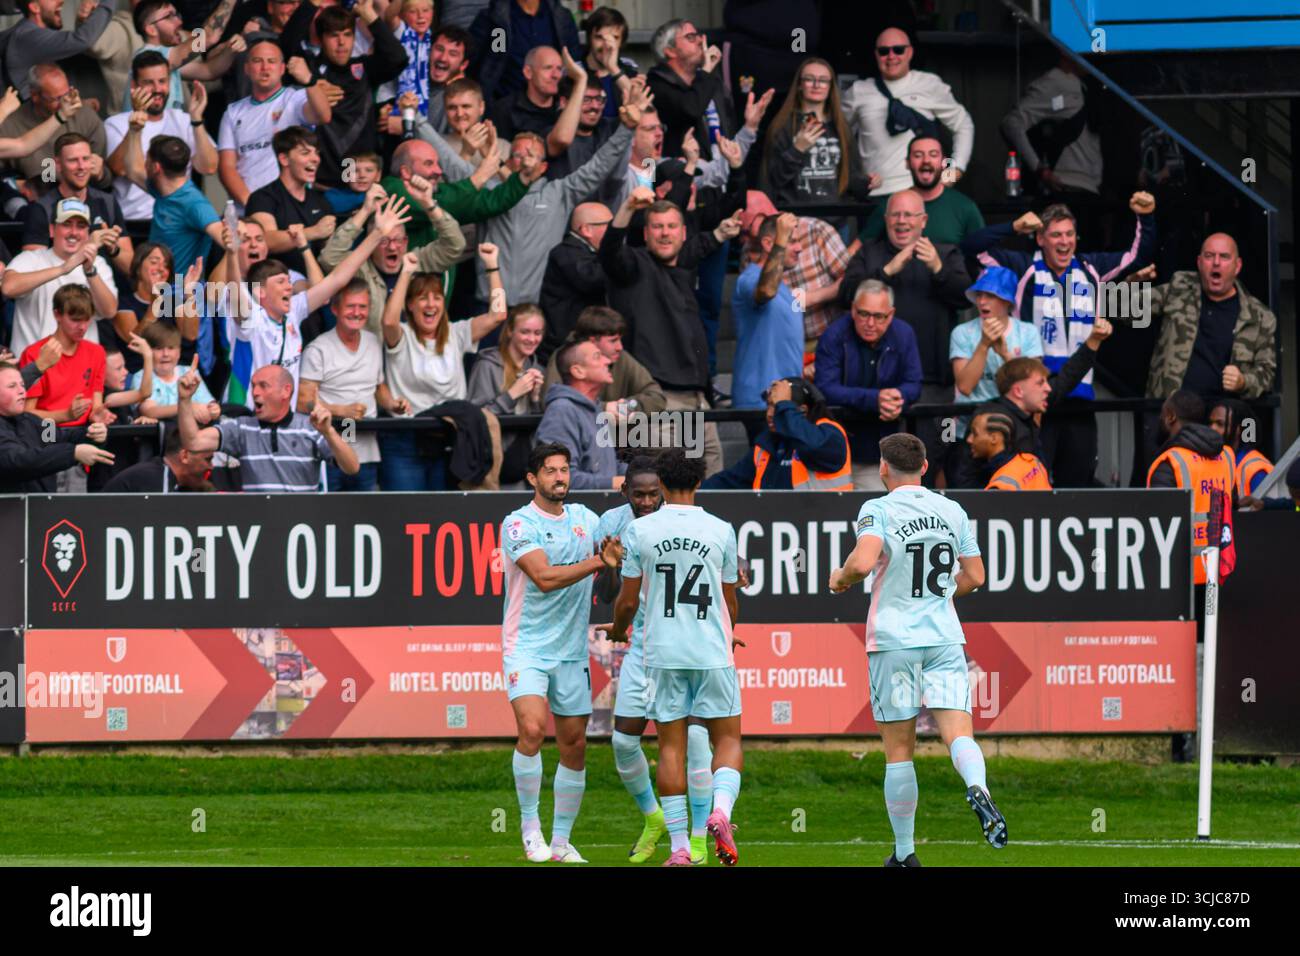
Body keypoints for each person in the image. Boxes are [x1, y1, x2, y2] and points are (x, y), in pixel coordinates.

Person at [829, 432, 1005, 867]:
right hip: (944, 637)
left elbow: (864, 561)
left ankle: (905, 853)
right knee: (958, 734)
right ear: (925, 466)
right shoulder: (951, 509)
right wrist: (944, 594)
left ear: (883, 469)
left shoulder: (878, 509)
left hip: (894, 641)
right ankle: (978, 786)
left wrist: (841, 578)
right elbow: (977, 575)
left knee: (899, 750)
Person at [605, 448, 744, 867]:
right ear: (699, 483)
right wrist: (728, 633)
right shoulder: (721, 529)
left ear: (662, 487)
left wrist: (616, 630)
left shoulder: (642, 531)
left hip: (662, 654)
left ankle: (681, 848)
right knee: (727, 739)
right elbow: (729, 599)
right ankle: (721, 811)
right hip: (711, 651)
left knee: (671, 749)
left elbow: (627, 602)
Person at [962, 193, 1157, 487]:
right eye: (1055, 235)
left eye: (1069, 234)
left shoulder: (1092, 268)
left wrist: (1146, 217)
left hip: (1079, 398)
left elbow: (1136, 256)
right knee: (1032, 478)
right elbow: (971, 247)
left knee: (1078, 483)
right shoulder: (1023, 267)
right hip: (1036, 400)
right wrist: (1013, 227)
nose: (1064, 242)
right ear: (1040, 239)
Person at [498, 441, 622, 863]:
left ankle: (562, 842)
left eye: (564, 469)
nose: (560, 477)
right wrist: (596, 562)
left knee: (575, 744)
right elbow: (545, 578)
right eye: (550, 471)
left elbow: (606, 586)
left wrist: (611, 568)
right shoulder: (517, 524)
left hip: (571, 650)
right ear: (533, 478)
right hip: (527, 647)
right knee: (532, 731)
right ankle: (530, 828)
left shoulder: (586, 520)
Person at [414, 86, 641, 307]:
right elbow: (450, 162)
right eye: (517, 154)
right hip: (490, 307)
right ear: (509, 161)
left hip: (537, 310)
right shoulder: (489, 193)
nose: (524, 160)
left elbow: (599, 166)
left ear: (543, 167)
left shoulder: (560, 192)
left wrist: (626, 129)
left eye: (532, 155)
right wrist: (415, 117)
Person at [592, 455, 691, 863]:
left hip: (683, 648)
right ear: (624, 492)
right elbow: (607, 593)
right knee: (623, 740)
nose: (648, 501)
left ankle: (691, 839)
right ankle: (654, 817)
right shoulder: (611, 524)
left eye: (655, 493)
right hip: (640, 647)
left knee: (690, 743)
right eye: (640, 494)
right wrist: (611, 565)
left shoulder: (682, 519)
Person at [600, 189, 739, 476]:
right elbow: (610, 252)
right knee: (665, 490)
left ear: (683, 232)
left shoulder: (684, 267)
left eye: (672, 226)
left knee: (709, 490)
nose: (665, 234)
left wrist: (718, 235)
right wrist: (627, 207)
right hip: (659, 401)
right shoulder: (634, 267)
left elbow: (693, 250)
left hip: (698, 401)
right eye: (657, 227)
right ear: (646, 234)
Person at [228, 192, 411, 409]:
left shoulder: (293, 311)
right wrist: (231, 253)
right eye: (280, 283)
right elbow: (235, 296)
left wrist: (377, 235)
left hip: (283, 418)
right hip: (245, 415)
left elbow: (337, 278)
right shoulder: (251, 319)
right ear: (261, 293)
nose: (289, 287)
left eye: (288, 281)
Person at [838, 190, 970, 481]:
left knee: (940, 449)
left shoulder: (946, 252)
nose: (901, 221)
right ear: (885, 219)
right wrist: (886, 271)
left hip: (935, 384)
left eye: (909, 215)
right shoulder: (869, 252)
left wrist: (938, 268)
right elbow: (846, 293)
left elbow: (966, 297)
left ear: (923, 220)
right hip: (881, 385)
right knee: (889, 465)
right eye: (895, 214)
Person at [379, 242, 506, 490]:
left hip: (447, 439)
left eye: (437, 297)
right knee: (407, 515)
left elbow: (498, 315)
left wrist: (491, 266)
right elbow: (388, 320)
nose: (430, 304)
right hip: (406, 439)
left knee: (439, 517)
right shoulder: (402, 335)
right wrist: (406, 272)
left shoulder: (456, 334)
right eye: (422, 298)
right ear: (410, 306)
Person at [278, 0, 408, 189]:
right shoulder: (309, 69)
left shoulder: (363, 68)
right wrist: (311, 4)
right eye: (334, 36)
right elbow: (287, 43)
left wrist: (369, 16)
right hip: (321, 179)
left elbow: (398, 58)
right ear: (321, 39)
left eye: (347, 35)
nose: (341, 43)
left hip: (358, 176)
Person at [299, 279, 410, 492]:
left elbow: (379, 388)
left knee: (365, 515)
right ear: (335, 309)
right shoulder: (318, 349)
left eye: (362, 307)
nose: (357, 312)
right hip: (329, 452)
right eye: (350, 306)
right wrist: (340, 411)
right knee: (327, 516)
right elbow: (303, 402)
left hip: (366, 451)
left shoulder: (373, 342)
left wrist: (394, 405)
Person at [179, 362, 359, 491]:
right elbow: (193, 442)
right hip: (259, 528)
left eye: (263, 386)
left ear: (286, 391)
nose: (255, 392)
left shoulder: (312, 427)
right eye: (253, 386)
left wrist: (329, 432)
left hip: (300, 526)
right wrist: (185, 399)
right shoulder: (242, 428)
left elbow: (352, 467)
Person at [318, 179, 466, 335]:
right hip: (370, 355)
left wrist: (429, 204)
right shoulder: (359, 268)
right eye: (383, 241)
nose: (392, 247)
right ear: (372, 243)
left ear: (406, 241)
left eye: (398, 240)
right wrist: (365, 211)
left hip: (412, 354)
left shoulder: (415, 261)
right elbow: (329, 259)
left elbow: (455, 245)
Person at [814, 280, 923, 490]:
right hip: (837, 448)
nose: (870, 323)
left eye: (879, 316)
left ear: (890, 314)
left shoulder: (904, 333)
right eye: (864, 314)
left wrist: (897, 398)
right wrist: (875, 399)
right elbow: (825, 388)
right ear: (853, 310)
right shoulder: (834, 334)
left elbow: (914, 384)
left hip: (881, 453)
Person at [841, 27, 975, 196]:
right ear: (876, 55)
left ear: (910, 52)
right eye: (884, 51)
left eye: (898, 50)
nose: (891, 56)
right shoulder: (858, 91)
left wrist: (953, 172)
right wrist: (854, 178)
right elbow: (838, 136)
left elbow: (963, 125)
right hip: (875, 194)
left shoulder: (930, 84)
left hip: (921, 193)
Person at [1145, 233, 1277, 402]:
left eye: (1224, 257)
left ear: (1237, 266)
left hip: (1221, 420)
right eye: (1209, 256)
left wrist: (1243, 382)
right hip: (1170, 415)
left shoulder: (1259, 316)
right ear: (1199, 263)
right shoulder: (1178, 290)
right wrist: (1131, 280)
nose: (1216, 262)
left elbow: (1267, 374)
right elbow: (1120, 309)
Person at [947, 267, 1043, 484]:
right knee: (966, 494)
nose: (982, 301)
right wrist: (983, 345)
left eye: (991, 295)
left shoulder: (1028, 332)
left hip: (1013, 433)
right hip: (968, 432)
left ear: (1008, 301)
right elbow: (964, 386)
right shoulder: (963, 332)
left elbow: (1033, 387)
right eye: (979, 295)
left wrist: (1005, 353)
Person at [217, 39, 334, 209]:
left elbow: (323, 116)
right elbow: (227, 167)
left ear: (282, 69)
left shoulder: (295, 98)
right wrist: (253, 206)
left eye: (272, 61)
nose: (265, 68)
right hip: (247, 210)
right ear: (247, 69)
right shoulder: (232, 112)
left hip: (290, 208)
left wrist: (309, 80)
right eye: (257, 61)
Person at [105, 52, 218, 221]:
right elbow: (120, 169)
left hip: (178, 220)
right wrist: (137, 120)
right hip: (135, 221)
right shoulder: (115, 123)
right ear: (134, 86)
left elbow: (208, 167)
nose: (157, 89)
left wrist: (196, 119)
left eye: (162, 81)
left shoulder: (184, 119)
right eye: (149, 83)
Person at [5, 198, 118, 357]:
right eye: (66, 224)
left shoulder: (98, 264)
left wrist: (90, 270)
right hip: (33, 369)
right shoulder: (31, 258)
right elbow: (8, 287)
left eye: (80, 226)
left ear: (87, 233)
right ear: (52, 230)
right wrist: (63, 268)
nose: (73, 232)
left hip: (78, 370)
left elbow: (110, 311)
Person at [1147, 389, 1235, 589]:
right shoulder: (1227, 456)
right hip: (1221, 569)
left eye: (1162, 414)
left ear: (1170, 416)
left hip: (1181, 577)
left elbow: (1157, 527)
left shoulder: (1170, 462)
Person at [20, 129, 134, 278]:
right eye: (73, 160)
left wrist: (114, 249)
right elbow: (31, 272)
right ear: (58, 165)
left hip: (101, 294)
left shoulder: (107, 202)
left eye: (86, 159)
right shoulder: (42, 208)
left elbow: (131, 269)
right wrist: (88, 245)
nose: (81, 166)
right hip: (59, 295)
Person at [703, 377, 851, 490]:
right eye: (769, 406)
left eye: (776, 407)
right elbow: (728, 481)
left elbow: (811, 445)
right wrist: (690, 492)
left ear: (803, 411)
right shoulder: (769, 442)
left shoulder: (830, 434)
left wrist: (784, 406)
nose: (769, 414)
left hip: (820, 525)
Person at [761, 57, 870, 205]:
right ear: (799, 85)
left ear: (831, 87)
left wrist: (868, 183)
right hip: (796, 220)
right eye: (810, 79)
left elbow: (851, 178)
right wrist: (797, 149)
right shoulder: (782, 125)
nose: (817, 85)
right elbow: (771, 180)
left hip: (837, 219)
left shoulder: (841, 126)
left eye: (824, 80)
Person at [0, 362, 113, 494]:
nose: (21, 391)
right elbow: (19, 462)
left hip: (40, 507)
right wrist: (72, 453)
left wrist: (92, 433)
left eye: (22, 385)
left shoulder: (30, 420)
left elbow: (60, 436)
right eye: (12, 386)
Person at [731, 212, 806, 410]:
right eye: (792, 241)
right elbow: (765, 291)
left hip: (787, 400)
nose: (799, 248)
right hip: (761, 401)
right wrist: (780, 241)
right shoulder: (749, 279)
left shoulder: (786, 289)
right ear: (767, 243)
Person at [1001, 55, 1102, 199]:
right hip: (1066, 188)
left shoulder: (1085, 86)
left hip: (1088, 190)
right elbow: (1011, 123)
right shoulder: (1054, 83)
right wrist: (1039, 169)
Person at [120, 132, 222, 276]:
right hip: (160, 291)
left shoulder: (195, 204)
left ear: (156, 167)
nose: (144, 164)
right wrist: (135, 131)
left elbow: (229, 242)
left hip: (183, 294)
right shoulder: (161, 189)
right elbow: (133, 171)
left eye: (147, 159)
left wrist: (214, 286)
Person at [0, 64, 111, 192]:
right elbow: (24, 145)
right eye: (57, 98)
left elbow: (24, 145)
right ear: (35, 96)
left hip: (83, 201)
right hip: (37, 204)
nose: (65, 102)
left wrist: (100, 173)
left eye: (67, 93)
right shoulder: (11, 125)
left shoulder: (84, 116)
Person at [467, 303, 544, 484]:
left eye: (537, 333)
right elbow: (474, 418)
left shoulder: (537, 368)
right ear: (510, 331)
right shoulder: (486, 365)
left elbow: (539, 427)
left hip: (526, 466)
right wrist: (512, 395)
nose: (532, 339)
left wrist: (534, 399)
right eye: (525, 332)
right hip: (491, 464)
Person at [857, 135, 984, 246]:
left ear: (944, 163)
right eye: (918, 155)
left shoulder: (965, 207)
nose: (926, 160)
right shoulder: (891, 205)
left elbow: (985, 259)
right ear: (907, 163)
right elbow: (857, 250)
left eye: (933, 155)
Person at [534, 338, 625, 490]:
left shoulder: (594, 408)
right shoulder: (561, 411)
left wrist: (642, 475)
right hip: (576, 511)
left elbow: (610, 467)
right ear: (578, 371)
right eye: (597, 356)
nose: (607, 361)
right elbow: (561, 479)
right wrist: (617, 483)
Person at [245, 126, 335, 277]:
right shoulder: (263, 197)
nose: (315, 159)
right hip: (272, 285)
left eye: (316, 153)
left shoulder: (321, 201)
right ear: (284, 159)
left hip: (315, 286)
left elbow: (329, 253)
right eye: (305, 153)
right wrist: (314, 232)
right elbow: (266, 240)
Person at [541, 306, 666, 415]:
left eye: (620, 340)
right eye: (613, 341)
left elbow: (656, 397)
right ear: (592, 341)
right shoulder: (566, 357)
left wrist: (624, 408)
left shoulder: (621, 358)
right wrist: (603, 409)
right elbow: (551, 404)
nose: (619, 347)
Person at [19, 284, 107, 432]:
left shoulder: (96, 352)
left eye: (87, 319)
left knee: (101, 444)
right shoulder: (35, 353)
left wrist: (98, 415)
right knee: (60, 452)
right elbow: (27, 414)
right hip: (46, 430)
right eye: (75, 320)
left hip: (83, 430)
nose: (83, 327)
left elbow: (96, 404)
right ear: (57, 315)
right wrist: (66, 415)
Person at [469, 0, 582, 103]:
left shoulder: (560, 18)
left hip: (553, 107)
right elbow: (488, 59)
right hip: (505, 107)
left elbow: (574, 63)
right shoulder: (496, 19)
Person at [645, 18, 728, 157]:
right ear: (670, 51)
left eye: (698, 35)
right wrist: (706, 71)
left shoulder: (709, 79)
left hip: (721, 169)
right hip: (681, 172)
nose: (701, 41)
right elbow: (691, 108)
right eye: (690, 37)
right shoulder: (657, 84)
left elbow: (728, 123)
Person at [539, 202, 612, 359]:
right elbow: (593, 280)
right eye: (609, 225)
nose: (615, 232)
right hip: (565, 350)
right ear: (586, 229)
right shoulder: (566, 253)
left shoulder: (586, 252)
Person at [0, 0, 117, 98]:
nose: (61, 1)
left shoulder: (23, 31)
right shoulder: (29, 37)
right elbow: (82, 40)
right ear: (35, 7)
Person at [135, 326, 218, 423]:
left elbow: (209, 404)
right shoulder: (141, 376)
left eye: (171, 348)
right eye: (159, 348)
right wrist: (187, 407)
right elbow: (149, 411)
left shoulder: (190, 372)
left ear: (179, 352)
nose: (165, 354)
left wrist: (214, 410)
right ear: (147, 352)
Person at [102, 422, 215, 492]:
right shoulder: (155, 477)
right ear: (185, 456)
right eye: (208, 459)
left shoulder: (162, 473)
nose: (211, 466)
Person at [966, 410, 1052, 491]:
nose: (969, 439)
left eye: (975, 434)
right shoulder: (1031, 460)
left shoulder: (1001, 485)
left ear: (993, 438)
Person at [1208, 398, 1273, 499]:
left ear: (1239, 429)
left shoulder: (1255, 469)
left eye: (1220, 424)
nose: (1212, 428)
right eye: (1210, 423)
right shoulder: (1213, 459)